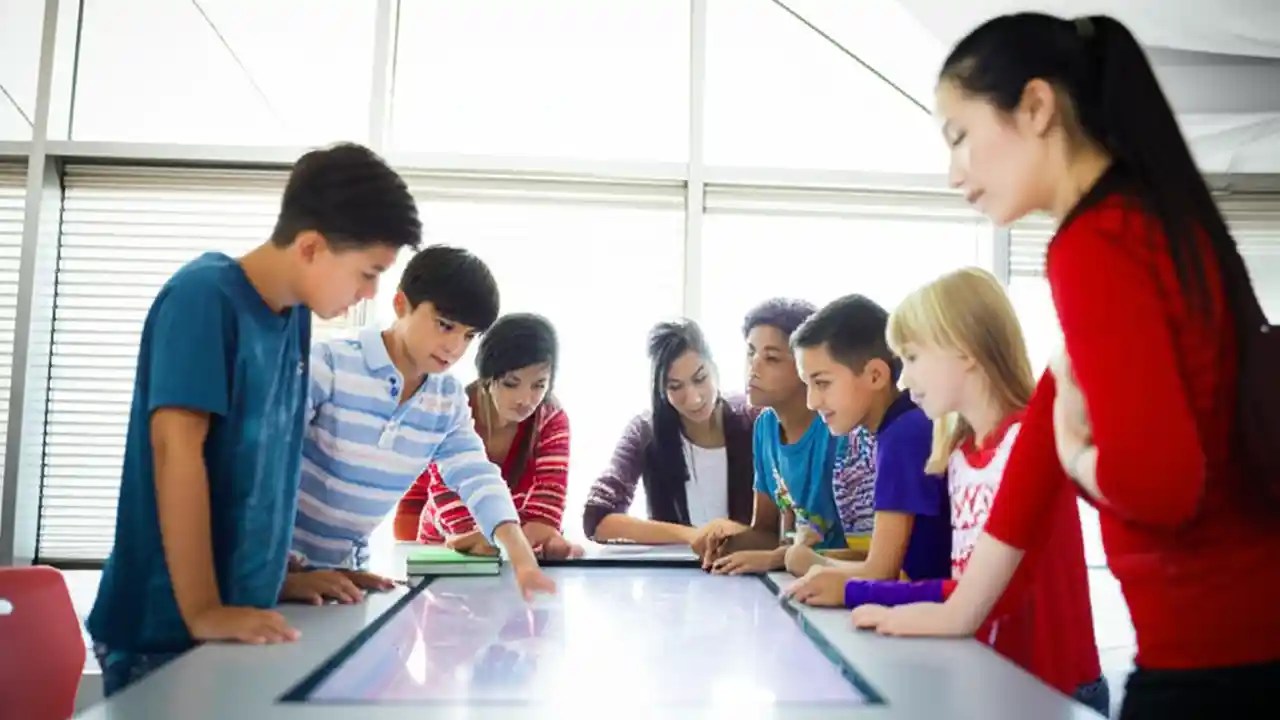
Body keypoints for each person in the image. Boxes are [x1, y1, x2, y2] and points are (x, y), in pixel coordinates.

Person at [848, 13, 1280, 719]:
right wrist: (959, 612)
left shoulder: (1093, 246)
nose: (954, 171)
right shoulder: (1146, 225)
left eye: (959, 137)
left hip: (1216, 665)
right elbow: (1038, 454)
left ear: (1037, 107)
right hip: (1239, 645)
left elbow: (1161, 485)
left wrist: (1083, 457)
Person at [85, 143, 421, 696]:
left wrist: (283, 578)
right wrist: (204, 611)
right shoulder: (203, 296)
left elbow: (257, 477)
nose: (369, 294)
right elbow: (177, 452)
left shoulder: (293, 321)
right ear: (312, 247)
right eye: (368, 273)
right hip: (164, 631)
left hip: (235, 620)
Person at [786, 269, 1107, 714]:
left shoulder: (1026, 443)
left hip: (1053, 689)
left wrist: (861, 592)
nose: (903, 377)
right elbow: (968, 590)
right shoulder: (957, 455)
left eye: (913, 358)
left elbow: (987, 595)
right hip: (991, 674)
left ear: (964, 351)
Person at [289, 245, 555, 601]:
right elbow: (253, 474)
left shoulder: (446, 400)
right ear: (401, 304)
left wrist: (522, 559)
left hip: (342, 580)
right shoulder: (326, 367)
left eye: (468, 335)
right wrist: (278, 578)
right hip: (263, 575)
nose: (454, 347)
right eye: (444, 325)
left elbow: (478, 475)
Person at [778, 294, 951, 585]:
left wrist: (808, 562)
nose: (811, 402)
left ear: (875, 375)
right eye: (807, 385)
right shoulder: (901, 425)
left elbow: (880, 573)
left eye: (822, 383)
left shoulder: (904, 436)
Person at [393, 313, 583, 560]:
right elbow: (449, 502)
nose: (525, 399)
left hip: (515, 550)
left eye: (538, 385)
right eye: (511, 383)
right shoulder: (451, 409)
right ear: (487, 379)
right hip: (445, 552)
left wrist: (524, 540)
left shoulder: (551, 419)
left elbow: (546, 509)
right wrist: (508, 540)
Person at [706, 299, 869, 575]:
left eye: (771, 358)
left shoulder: (841, 431)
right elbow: (767, 531)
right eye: (750, 353)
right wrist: (728, 541)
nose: (753, 368)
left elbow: (876, 556)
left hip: (841, 581)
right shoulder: (764, 427)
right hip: (800, 579)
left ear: (806, 367)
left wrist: (780, 558)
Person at [582, 319, 758, 548]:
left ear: (714, 368)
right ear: (661, 390)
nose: (693, 398)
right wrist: (692, 536)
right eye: (675, 387)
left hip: (750, 571)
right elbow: (597, 518)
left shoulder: (753, 419)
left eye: (700, 378)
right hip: (675, 576)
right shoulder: (645, 431)